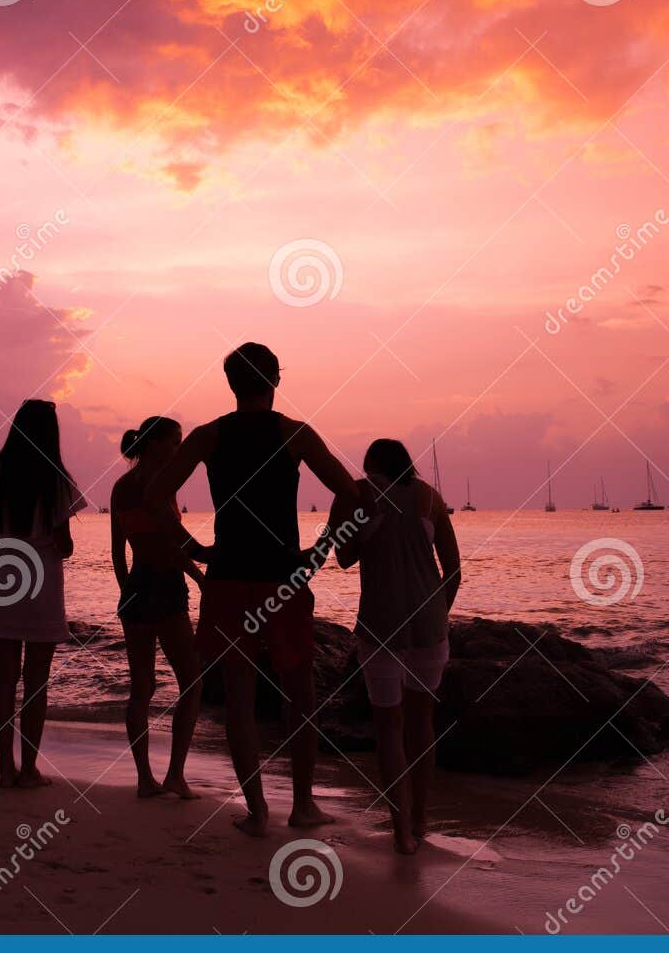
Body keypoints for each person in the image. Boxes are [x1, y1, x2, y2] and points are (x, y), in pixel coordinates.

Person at [154, 343, 360, 836]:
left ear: (231, 384)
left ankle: (258, 811)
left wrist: (194, 546)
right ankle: (303, 805)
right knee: (300, 695)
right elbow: (351, 492)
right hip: (282, 578)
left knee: (240, 699)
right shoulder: (295, 434)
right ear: (275, 380)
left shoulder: (208, 437)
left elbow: (152, 493)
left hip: (227, 576)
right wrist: (323, 548)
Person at [333, 439, 461, 854]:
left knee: (389, 729)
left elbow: (345, 558)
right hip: (429, 627)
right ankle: (421, 820)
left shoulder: (358, 495)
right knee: (422, 726)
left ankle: (401, 830)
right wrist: (440, 615)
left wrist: (364, 528)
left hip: (380, 624)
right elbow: (453, 572)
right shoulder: (430, 497)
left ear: (371, 466)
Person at [0, 399, 86, 788]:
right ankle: (29, 768)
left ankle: (4, 769)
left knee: (4, 679)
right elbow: (64, 546)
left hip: (8, 576)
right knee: (37, 681)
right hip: (43, 578)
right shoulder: (56, 478)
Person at [111, 416, 208, 799]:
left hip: (138, 585)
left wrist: (126, 591)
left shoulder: (121, 487)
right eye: (175, 442)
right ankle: (175, 775)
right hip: (164, 588)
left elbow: (123, 549)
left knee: (142, 687)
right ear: (153, 444)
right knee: (192, 682)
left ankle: (145, 779)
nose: (179, 450)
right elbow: (175, 544)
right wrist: (203, 568)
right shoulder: (160, 487)